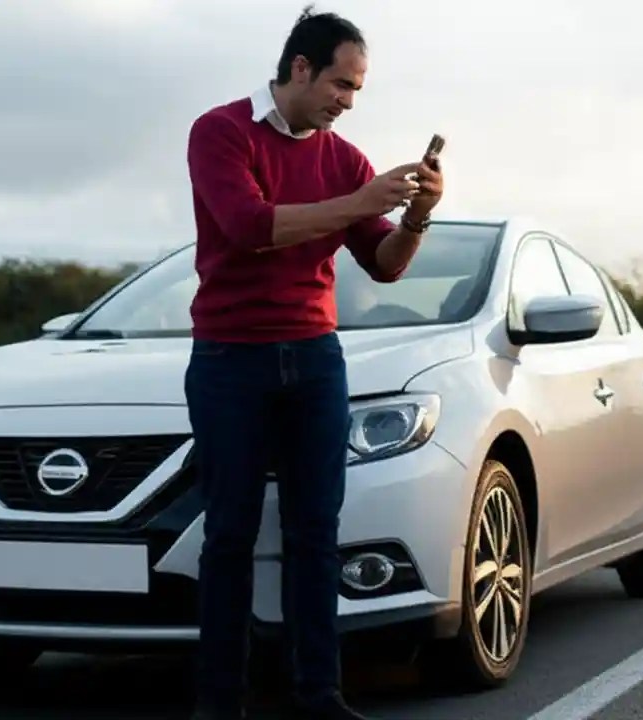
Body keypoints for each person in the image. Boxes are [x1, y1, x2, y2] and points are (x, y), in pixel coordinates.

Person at [183, 5, 444, 719]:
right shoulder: (220, 131)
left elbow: (386, 266)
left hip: (317, 359)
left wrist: (417, 215)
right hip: (230, 359)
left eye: (357, 90)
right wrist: (358, 200)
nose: (348, 102)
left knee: (315, 535)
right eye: (342, 84)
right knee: (230, 535)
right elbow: (247, 228)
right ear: (300, 68)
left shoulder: (343, 157)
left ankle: (318, 698)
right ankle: (219, 703)